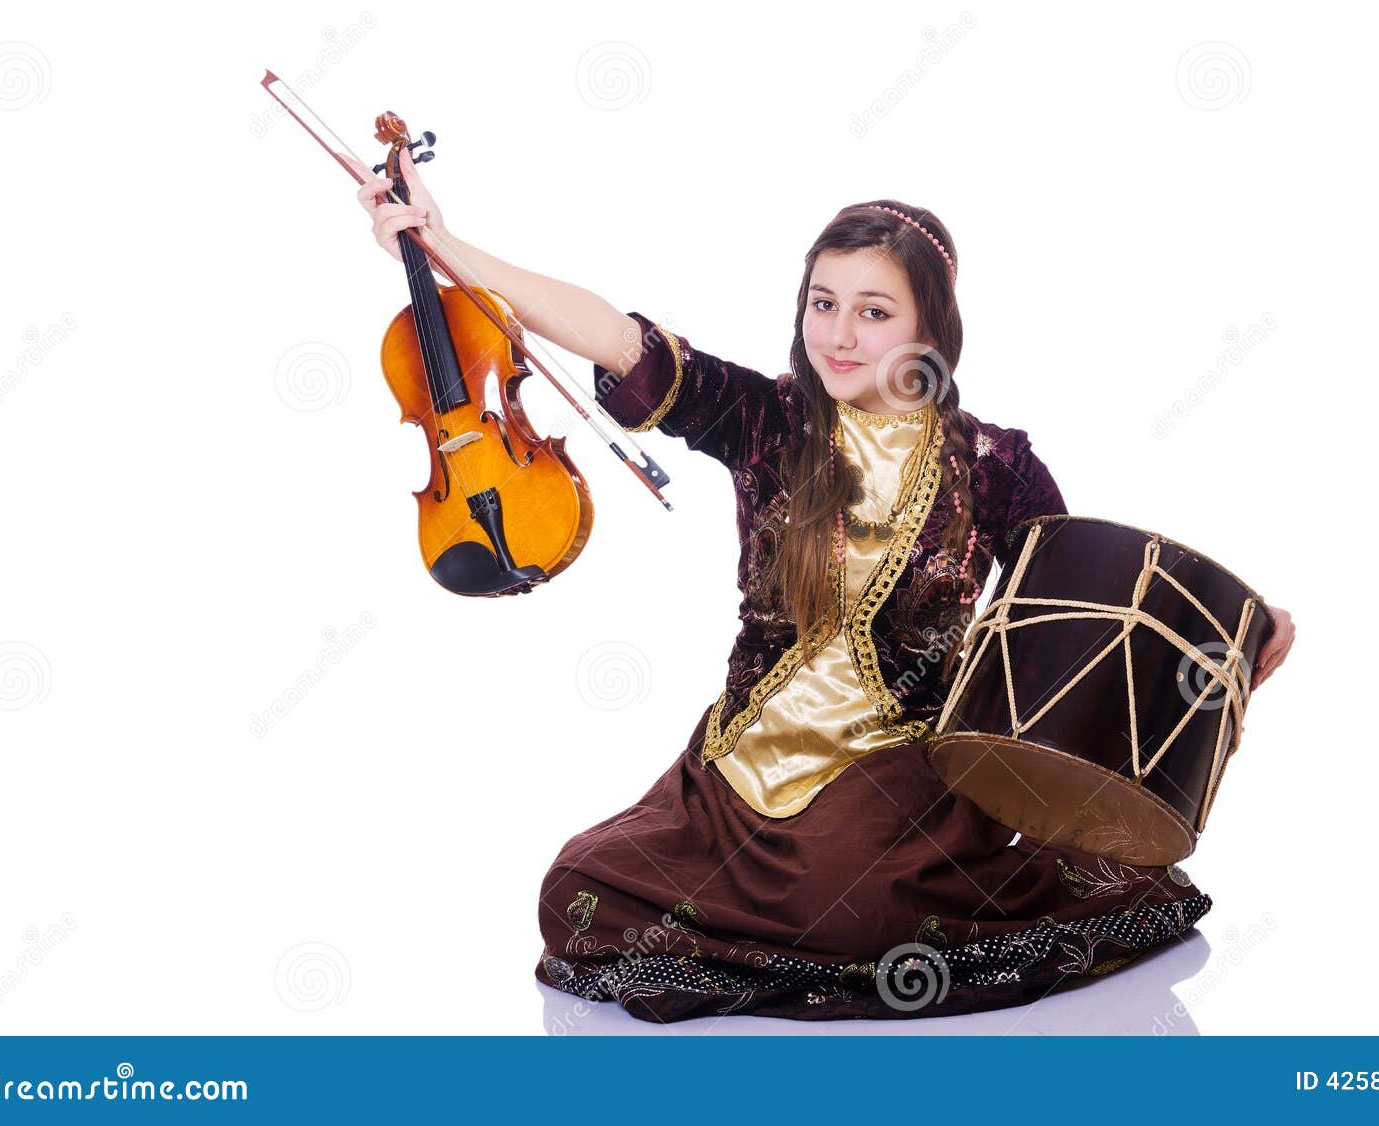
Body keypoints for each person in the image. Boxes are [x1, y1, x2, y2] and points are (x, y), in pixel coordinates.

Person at [359, 167, 1298, 1023]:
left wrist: (1216, 653)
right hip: (734, 769)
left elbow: (1070, 622)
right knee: (575, 893)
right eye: (824, 303)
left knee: (854, 907)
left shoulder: (994, 464)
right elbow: (615, 335)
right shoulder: (768, 420)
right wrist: (444, 246)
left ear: (932, 328)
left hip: (897, 774)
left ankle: (902, 905)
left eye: (875, 311)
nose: (839, 336)